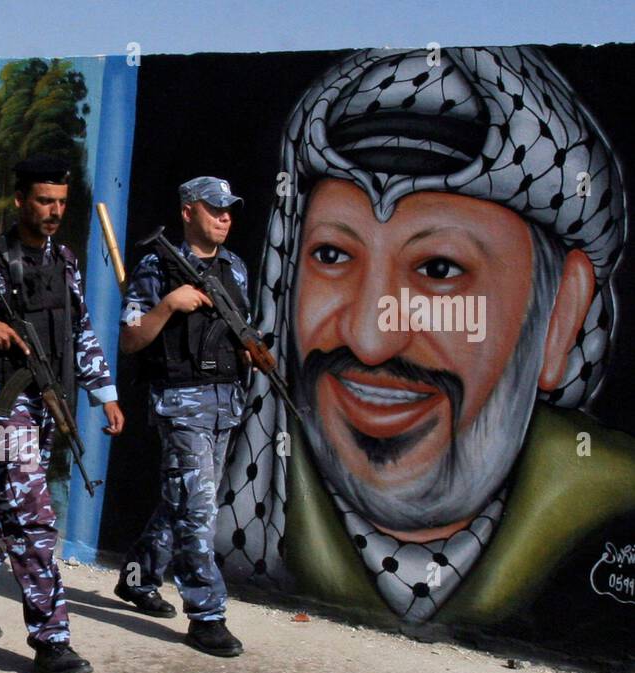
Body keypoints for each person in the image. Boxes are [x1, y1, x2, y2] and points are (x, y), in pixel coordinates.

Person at [213, 46, 635, 632]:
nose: (369, 338)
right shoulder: (239, 489)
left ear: (560, 315)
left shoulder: (615, 506)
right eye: (332, 256)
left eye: (438, 269)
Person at [0, 154, 123, 673]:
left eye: (61, 202)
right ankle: (51, 638)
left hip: (52, 400)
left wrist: (105, 393)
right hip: (3, 407)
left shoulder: (66, 261)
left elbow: (80, 331)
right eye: (44, 201)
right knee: (33, 519)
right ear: (19, 201)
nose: (54, 211)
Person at [114, 176, 250, 658]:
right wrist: (170, 304)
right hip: (182, 403)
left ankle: (138, 576)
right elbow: (130, 340)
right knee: (198, 511)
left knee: (183, 502)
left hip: (224, 402)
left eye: (229, 209)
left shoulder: (235, 267)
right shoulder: (156, 267)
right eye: (215, 209)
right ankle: (207, 614)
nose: (225, 217)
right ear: (188, 211)